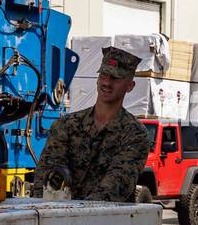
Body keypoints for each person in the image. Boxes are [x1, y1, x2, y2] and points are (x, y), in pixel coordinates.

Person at [34, 45, 151, 202]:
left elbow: (116, 187)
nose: (107, 83)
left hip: (105, 222)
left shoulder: (135, 134)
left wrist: (78, 214)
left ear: (130, 86)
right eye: (103, 75)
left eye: (115, 78)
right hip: (60, 219)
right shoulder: (66, 126)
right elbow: (46, 178)